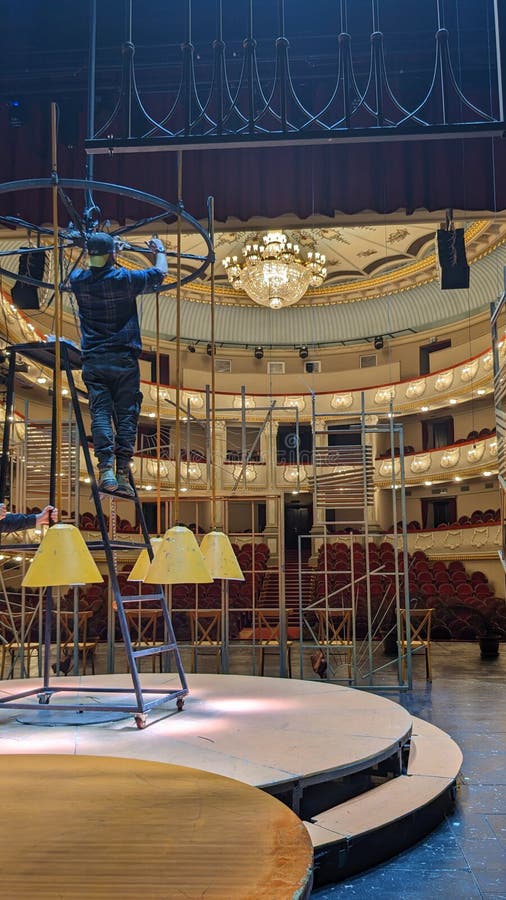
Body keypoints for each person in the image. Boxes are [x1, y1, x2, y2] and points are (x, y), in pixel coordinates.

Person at [70, 232, 168, 496]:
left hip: (94, 359)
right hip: (123, 359)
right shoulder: (124, 279)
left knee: (100, 412)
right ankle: (123, 471)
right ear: (112, 255)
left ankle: (106, 469)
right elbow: (159, 274)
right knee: (126, 415)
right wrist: (159, 250)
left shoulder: (77, 280)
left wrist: (105, 251)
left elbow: (88, 266)